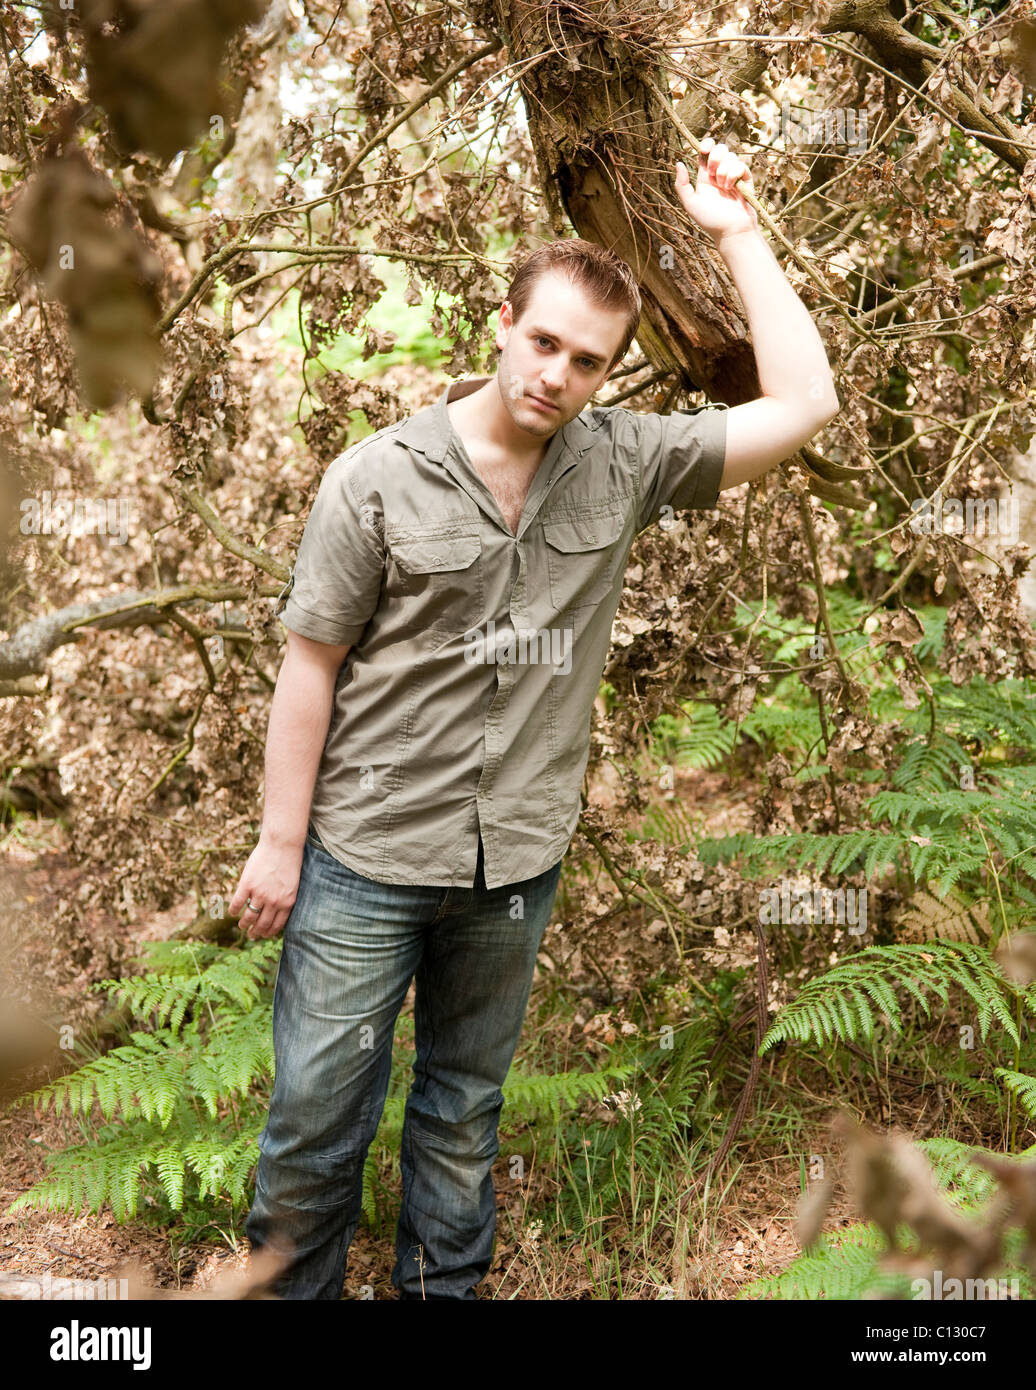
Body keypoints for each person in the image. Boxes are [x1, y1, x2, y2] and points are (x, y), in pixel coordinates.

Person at [234, 139, 841, 1300]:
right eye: (543, 341)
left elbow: (805, 402)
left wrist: (735, 234)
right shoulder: (374, 479)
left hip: (513, 861)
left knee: (462, 1117)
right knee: (315, 1121)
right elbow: (310, 664)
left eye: (587, 360)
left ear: (607, 373)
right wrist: (278, 841)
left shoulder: (626, 465)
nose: (556, 373)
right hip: (364, 856)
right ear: (501, 324)